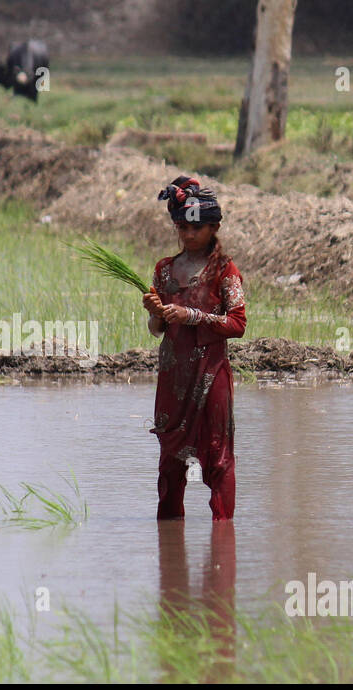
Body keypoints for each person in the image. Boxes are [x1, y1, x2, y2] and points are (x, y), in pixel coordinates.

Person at [143, 176, 247, 520]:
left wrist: (194, 316)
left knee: (217, 456)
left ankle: (223, 531)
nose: (189, 235)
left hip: (210, 374)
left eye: (197, 229)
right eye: (182, 228)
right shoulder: (165, 270)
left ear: (214, 228)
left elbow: (237, 324)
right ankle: (169, 536)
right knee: (170, 461)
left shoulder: (224, 270)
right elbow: (157, 330)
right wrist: (157, 315)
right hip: (174, 376)